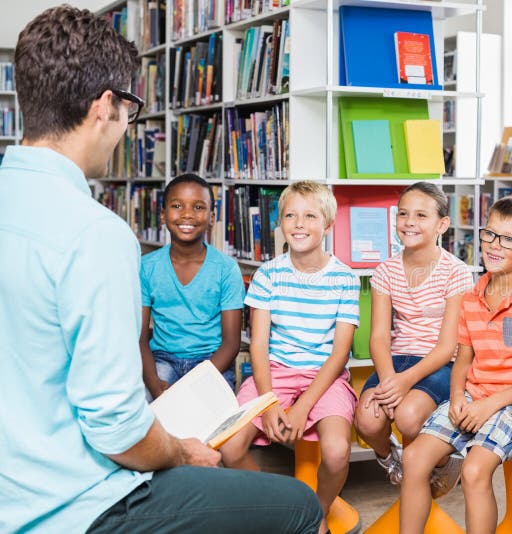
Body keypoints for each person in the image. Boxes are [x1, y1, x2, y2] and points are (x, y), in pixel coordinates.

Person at [0, 7, 321, 533]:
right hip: (72, 504)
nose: (129, 124)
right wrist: (180, 451)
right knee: (297, 506)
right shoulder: (96, 234)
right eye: (131, 106)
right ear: (105, 106)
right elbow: (117, 430)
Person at [400, 195, 512, 534]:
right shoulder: (473, 296)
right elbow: (464, 357)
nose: (493, 245)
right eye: (489, 234)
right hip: (475, 395)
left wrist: (490, 404)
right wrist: (458, 396)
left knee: (475, 470)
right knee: (414, 459)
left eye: (508, 240)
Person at [219, 181, 360, 534]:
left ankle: (316, 513)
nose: (298, 224)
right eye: (290, 216)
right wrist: (268, 403)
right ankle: (279, 508)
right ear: (280, 223)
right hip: (275, 371)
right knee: (229, 448)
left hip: (324, 376)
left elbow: (340, 353)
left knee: (337, 451)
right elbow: (259, 347)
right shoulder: (268, 274)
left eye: (310, 216)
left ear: (328, 226)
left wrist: (301, 406)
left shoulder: (345, 278)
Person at [354, 182, 473, 492]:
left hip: (439, 363)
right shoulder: (385, 270)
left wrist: (404, 383)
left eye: (421, 215)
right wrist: (390, 379)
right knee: (367, 419)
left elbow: (448, 346)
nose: (409, 222)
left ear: (442, 225)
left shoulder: (456, 272)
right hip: (396, 360)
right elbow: (378, 336)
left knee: (407, 417)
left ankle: (445, 462)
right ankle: (390, 457)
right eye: (403, 213)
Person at [139, 173, 244, 398]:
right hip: (162, 360)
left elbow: (232, 342)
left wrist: (195, 385)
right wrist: (154, 384)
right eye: (177, 206)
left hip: (211, 364)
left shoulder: (226, 269)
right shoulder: (146, 267)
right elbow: (139, 339)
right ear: (163, 215)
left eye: (198, 207)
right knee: (146, 411)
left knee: (208, 421)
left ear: (212, 217)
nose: (187, 214)